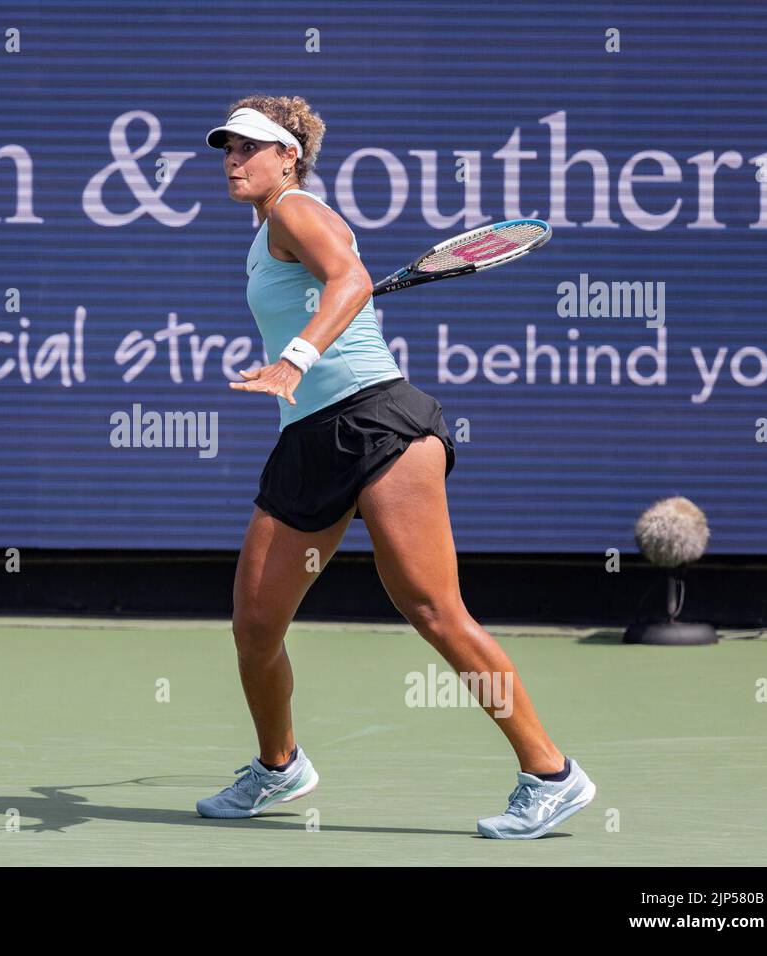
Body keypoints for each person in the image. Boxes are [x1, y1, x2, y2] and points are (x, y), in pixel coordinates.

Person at [195, 95, 595, 839]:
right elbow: (336, 288)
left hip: (378, 422)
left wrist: (295, 358)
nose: (234, 159)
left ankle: (550, 773)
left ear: (289, 156)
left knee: (434, 608)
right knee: (255, 624)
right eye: (227, 148)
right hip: (309, 439)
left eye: (250, 146)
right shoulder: (270, 230)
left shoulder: (295, 209)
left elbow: (349, 281)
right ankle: (278, 765)